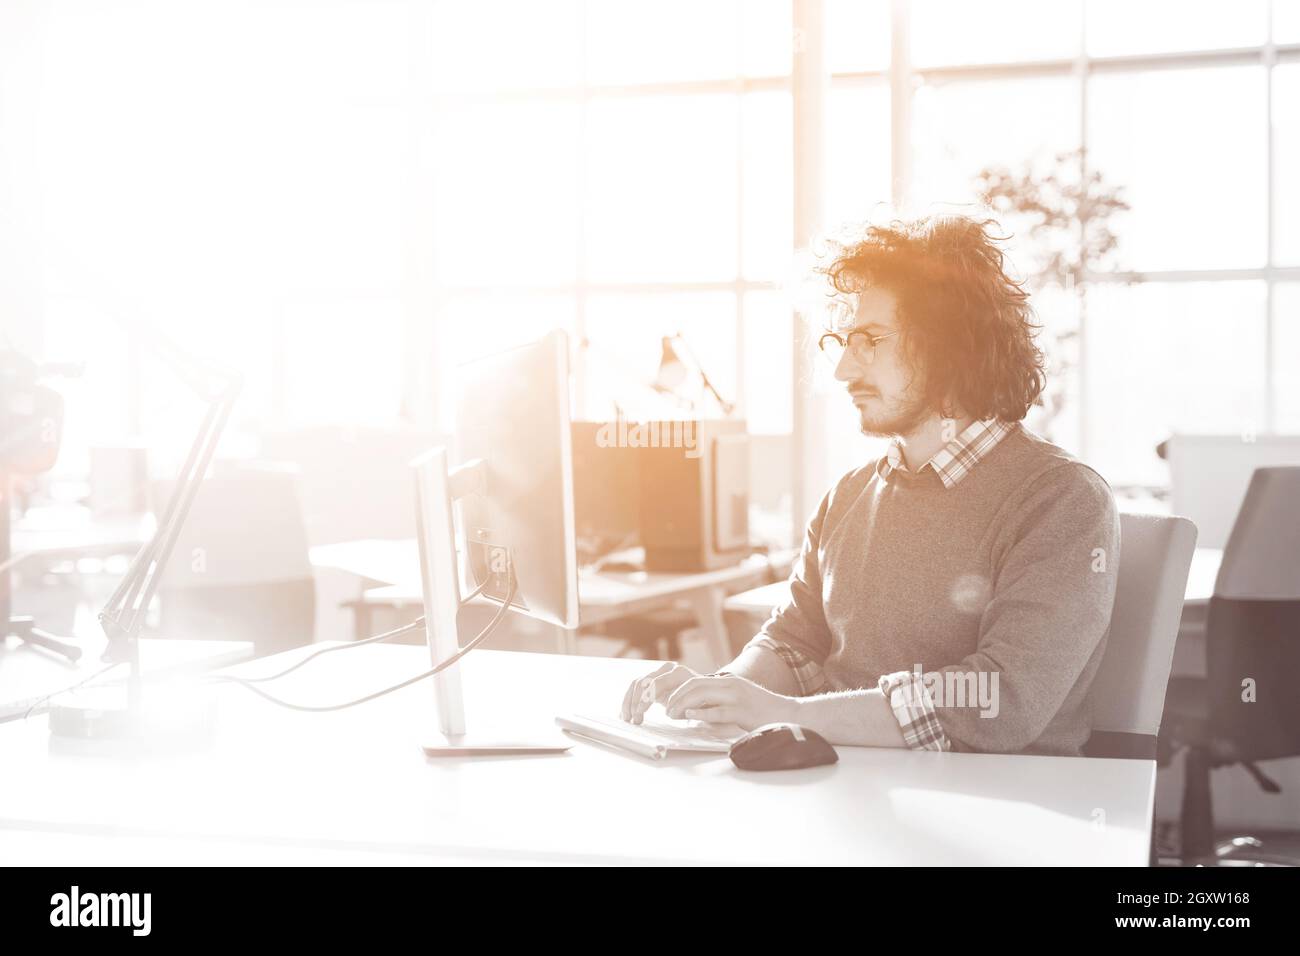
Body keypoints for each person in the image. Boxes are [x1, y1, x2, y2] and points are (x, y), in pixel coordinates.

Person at [619, 213, 1120, 755]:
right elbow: (793, 644)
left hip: (1001, 814)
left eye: (869, 341)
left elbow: (1000, 699)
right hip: (848, 793)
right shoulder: (849, 495)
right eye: (843, 341)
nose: (843, 371)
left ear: (951, 346)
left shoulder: (1061, 499)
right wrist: (717, 693)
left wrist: (787, 714)